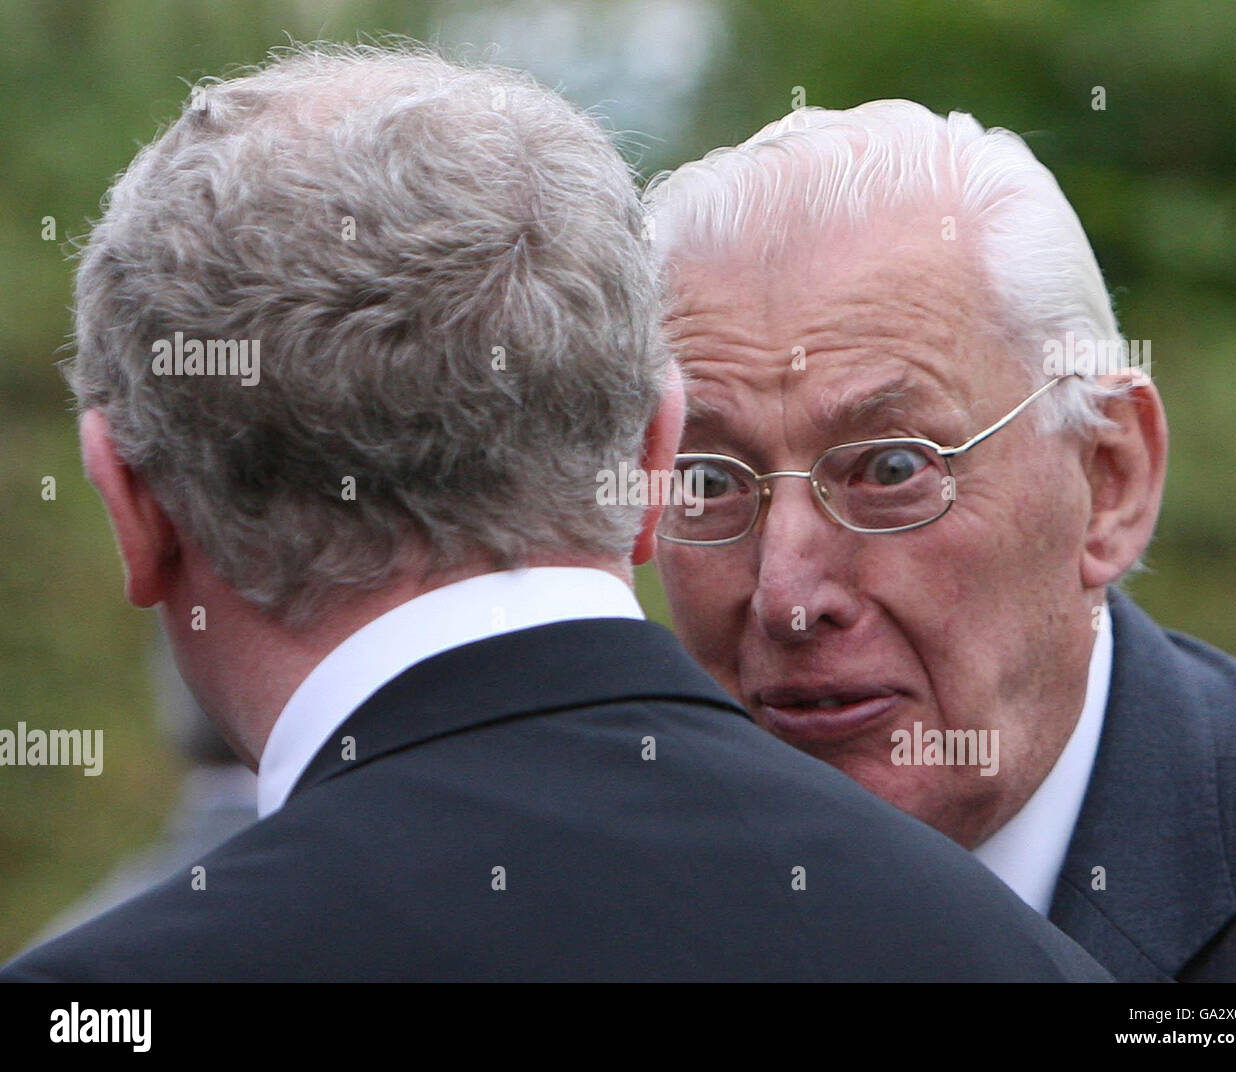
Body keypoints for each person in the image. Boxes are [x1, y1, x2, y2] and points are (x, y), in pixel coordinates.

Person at [0, 50, 1106, 982]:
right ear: (651, 457)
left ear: (132, 508)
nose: (788, 592)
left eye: (891, 467)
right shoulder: (1022, 955)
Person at [645, 99, 1236, 983]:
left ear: (1109, 480)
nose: (789, 596)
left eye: (888, 470)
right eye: (711, 483)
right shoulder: (581, 884)